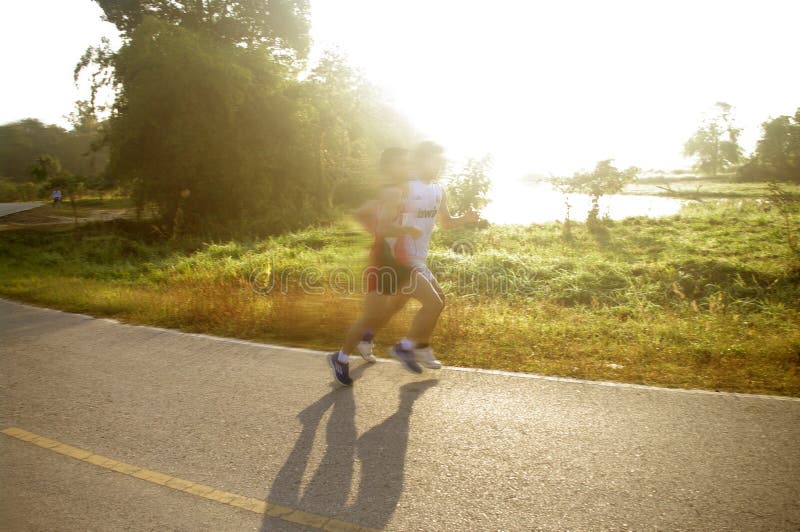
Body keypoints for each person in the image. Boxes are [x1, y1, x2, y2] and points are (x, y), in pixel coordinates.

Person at [328, 148, 422, 386]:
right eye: (401, 163)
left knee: (395, 303)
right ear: (389, 167)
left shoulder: (396, 192)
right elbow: (384, 228)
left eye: (406, 163)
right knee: (371, 314)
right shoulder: (392, 192)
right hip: (383, 260)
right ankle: (340, 357)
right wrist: (406, 231)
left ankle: (371, 340)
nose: (406, 167)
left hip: (396, 258)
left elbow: (362, 214)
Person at [385, 141, 478, 372]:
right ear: (422, 159)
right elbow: (385, 221)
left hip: (419, 257)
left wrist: (465, 219)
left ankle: (419, 345)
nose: (440, 164)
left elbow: (445, 223)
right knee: (433, 302)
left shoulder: (438, 190)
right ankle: (405, 347)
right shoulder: (405, 187)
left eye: (441, 159)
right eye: (436, 159)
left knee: (434, 301)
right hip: (401, 256)